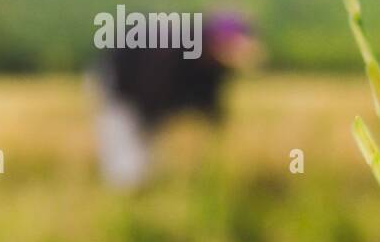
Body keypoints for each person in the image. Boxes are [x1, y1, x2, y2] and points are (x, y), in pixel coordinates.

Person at [91, 11, 261, 188]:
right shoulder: (173, 50)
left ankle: (141, 188)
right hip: (119, 84)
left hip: (150, 94)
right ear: (218, 42)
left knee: (148, 157)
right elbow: (150, 89)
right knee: (129, 157)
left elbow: (211, 102)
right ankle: (125, 195)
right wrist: (150, 124)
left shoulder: (214, 63)